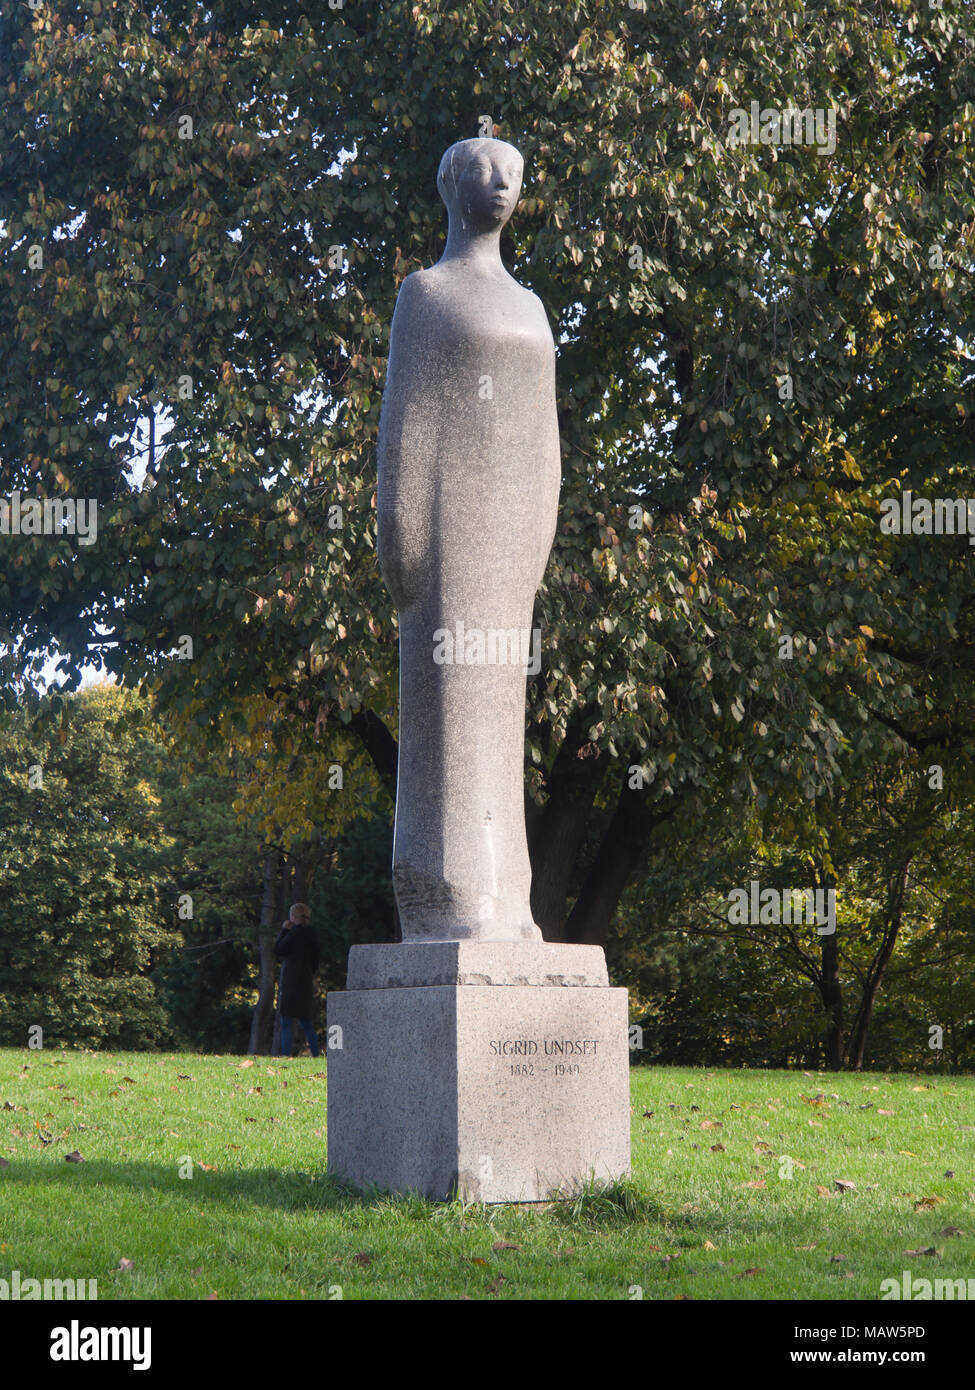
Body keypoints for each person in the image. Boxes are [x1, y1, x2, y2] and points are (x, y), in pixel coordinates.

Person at [274, 902, 321, 1057]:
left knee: (286, 1021)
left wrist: (284, 931)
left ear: (293, 917)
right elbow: (316, 960)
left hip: (290, 981)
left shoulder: (293, 934)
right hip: (305, 980)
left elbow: (278, 949)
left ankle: (286, 1055)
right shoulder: (313, 934)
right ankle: (316, 1054)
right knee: (306, 1022)